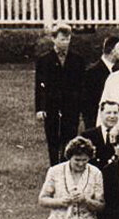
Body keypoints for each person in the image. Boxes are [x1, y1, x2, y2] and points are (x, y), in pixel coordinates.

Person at [34, 23, 87, 165]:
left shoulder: (78, 59)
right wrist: (40, 108)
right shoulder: (44, 60)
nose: (66, 42)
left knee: (69, 136)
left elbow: (82, 85)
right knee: (52, 138)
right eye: (62, 39)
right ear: (53, 39)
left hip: (71, 105)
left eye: (68, 39)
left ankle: (66, 164)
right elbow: (39, 86)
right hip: (52, 105)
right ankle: (54, 166)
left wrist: (81, 106)